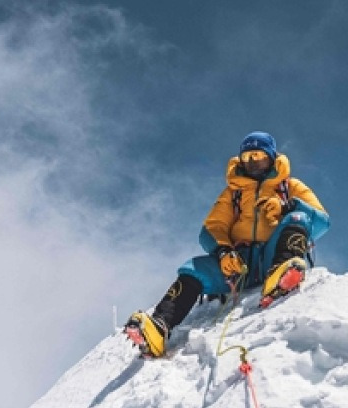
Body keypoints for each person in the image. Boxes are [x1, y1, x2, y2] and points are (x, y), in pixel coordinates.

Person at [125, 131, 331, 358]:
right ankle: (159, 326)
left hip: (274, 255)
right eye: (248, 158)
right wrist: (223, 250)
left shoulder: (289, 186)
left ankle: (283, 273)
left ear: (272, 158)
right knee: (193, 269)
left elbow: (320, 220)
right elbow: (212, 228)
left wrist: (287, 207)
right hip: (238, 265)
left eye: (259, 156)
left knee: (298, 219)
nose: (254, 163)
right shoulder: (234, 193)